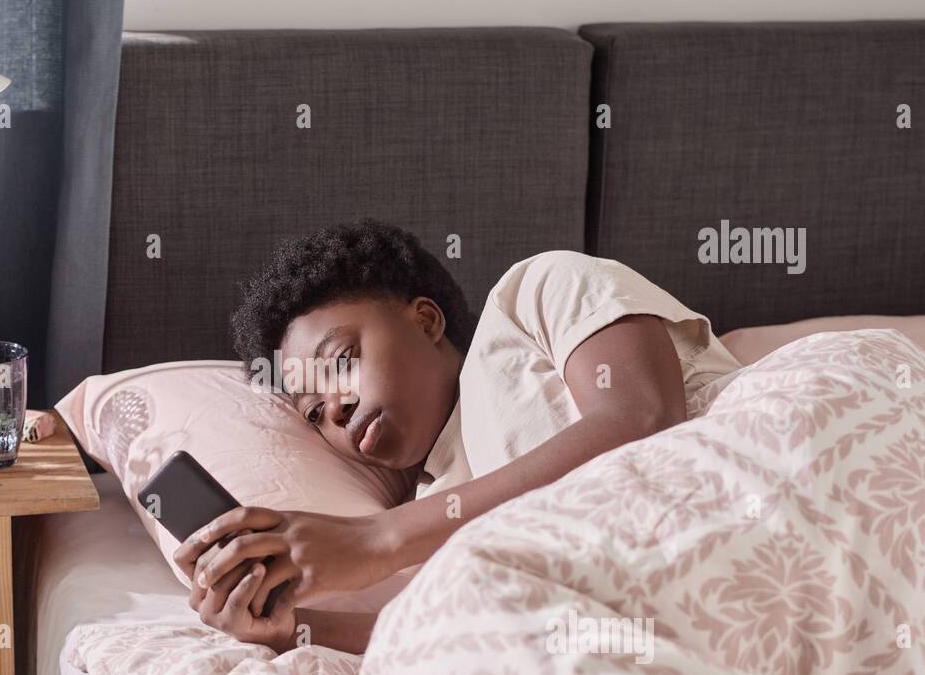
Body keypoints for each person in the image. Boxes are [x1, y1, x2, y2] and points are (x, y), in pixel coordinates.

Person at [174, 219, 741, 652]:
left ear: (425, 320)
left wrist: (378, 538)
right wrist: (289, 628)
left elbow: (641, 419)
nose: (339, 410)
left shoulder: (533, 294)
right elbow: (451, 637)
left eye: (343, 359)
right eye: (315, 413)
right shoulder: (434, 503)